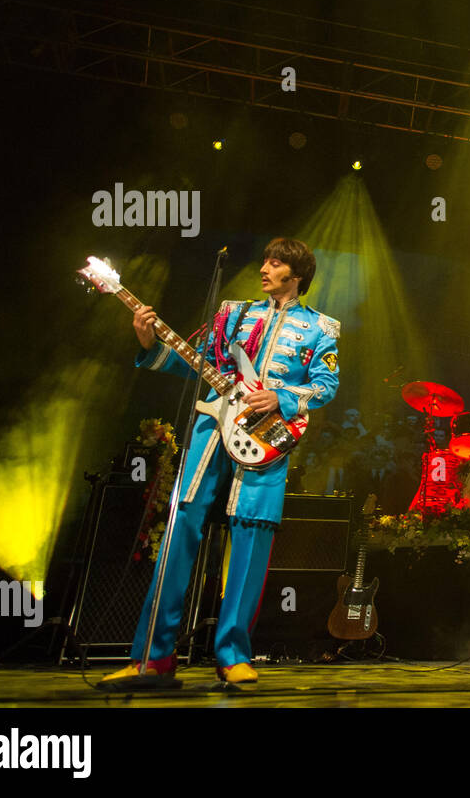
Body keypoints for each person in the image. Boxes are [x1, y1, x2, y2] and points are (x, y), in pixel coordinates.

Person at [103, 238, 341, 685]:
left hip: (268, 436)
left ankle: (233, 655)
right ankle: (153, 657)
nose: (265, 268)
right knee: (179, 527)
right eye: (266, 260)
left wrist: (283, 397)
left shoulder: (321, 328)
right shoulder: (233, 313)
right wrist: (149, 342)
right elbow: (194, 363)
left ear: (297, 275)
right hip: (212, 428)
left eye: (276, 263)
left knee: (250, 538)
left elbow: (326, 385)